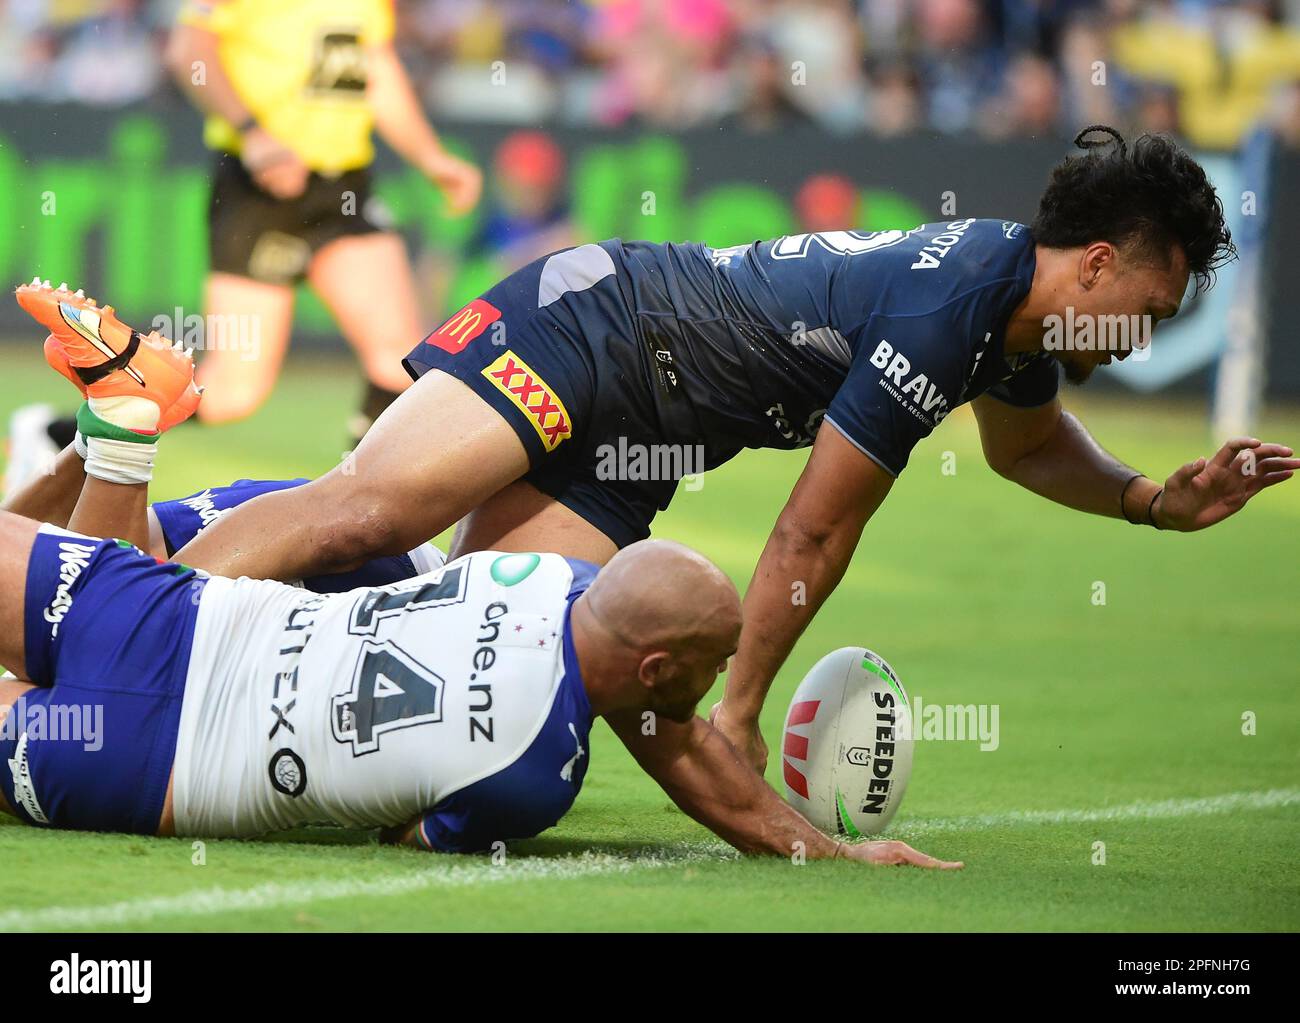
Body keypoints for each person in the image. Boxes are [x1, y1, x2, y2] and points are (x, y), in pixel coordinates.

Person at [21, 129, 1299, 777]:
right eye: (1152, 299)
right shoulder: (952, 303)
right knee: (369, 515)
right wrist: (738, 713)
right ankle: (97, 634)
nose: (1146, 334)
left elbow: (1026, 454)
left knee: (490, 625)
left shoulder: (1013, 333)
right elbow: (813, 532)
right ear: (1091, 264)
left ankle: (117, 555)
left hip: (651, 427)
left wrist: (1147, 503)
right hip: (597, 324)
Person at [0, 318, 958, 868]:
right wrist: (827, 852)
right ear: (659, 667)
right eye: (706, 672)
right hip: (164, 763)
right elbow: (412, 831)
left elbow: (666, 719)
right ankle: (108, 446)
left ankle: (114, 438)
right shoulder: (533, 772)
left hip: (191, 612)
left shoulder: (548, 574)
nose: (709, 694)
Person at [164, 0, 482, 442]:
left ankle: (363, 499)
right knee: (233, 392)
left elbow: (376, 69)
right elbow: (189, 52)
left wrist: (431, 159)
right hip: (263, 187)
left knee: (401, 362)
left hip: (344, 187)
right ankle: (61, 434)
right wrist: (253, 132)